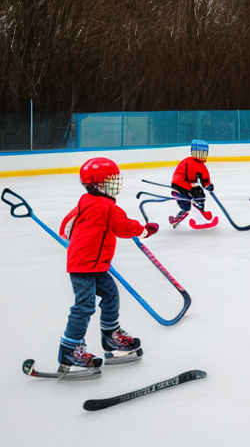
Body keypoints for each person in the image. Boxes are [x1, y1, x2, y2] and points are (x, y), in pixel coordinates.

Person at [57, 157, 158, 371]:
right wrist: (144, 230)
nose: (115, 185)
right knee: (84, 307)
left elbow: (70, 218)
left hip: (96, 265)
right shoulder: (106, 207)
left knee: (111, 294)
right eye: (110, 181)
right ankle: (69, 351)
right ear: (96, 184)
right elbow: (123, 226)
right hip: (84, 266)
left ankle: (111, 337)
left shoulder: (87, 200)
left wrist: (66, 229)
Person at [169, 139, 214, 228]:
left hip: (190, 185)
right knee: (186, 204)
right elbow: (178, 177)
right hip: (180, 185)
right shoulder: (187, 162)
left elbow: (205, 178)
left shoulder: (201, 166)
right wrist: (186, 186)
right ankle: (181, 202)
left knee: (199, 192)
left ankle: (200, 207)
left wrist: (208, 185)